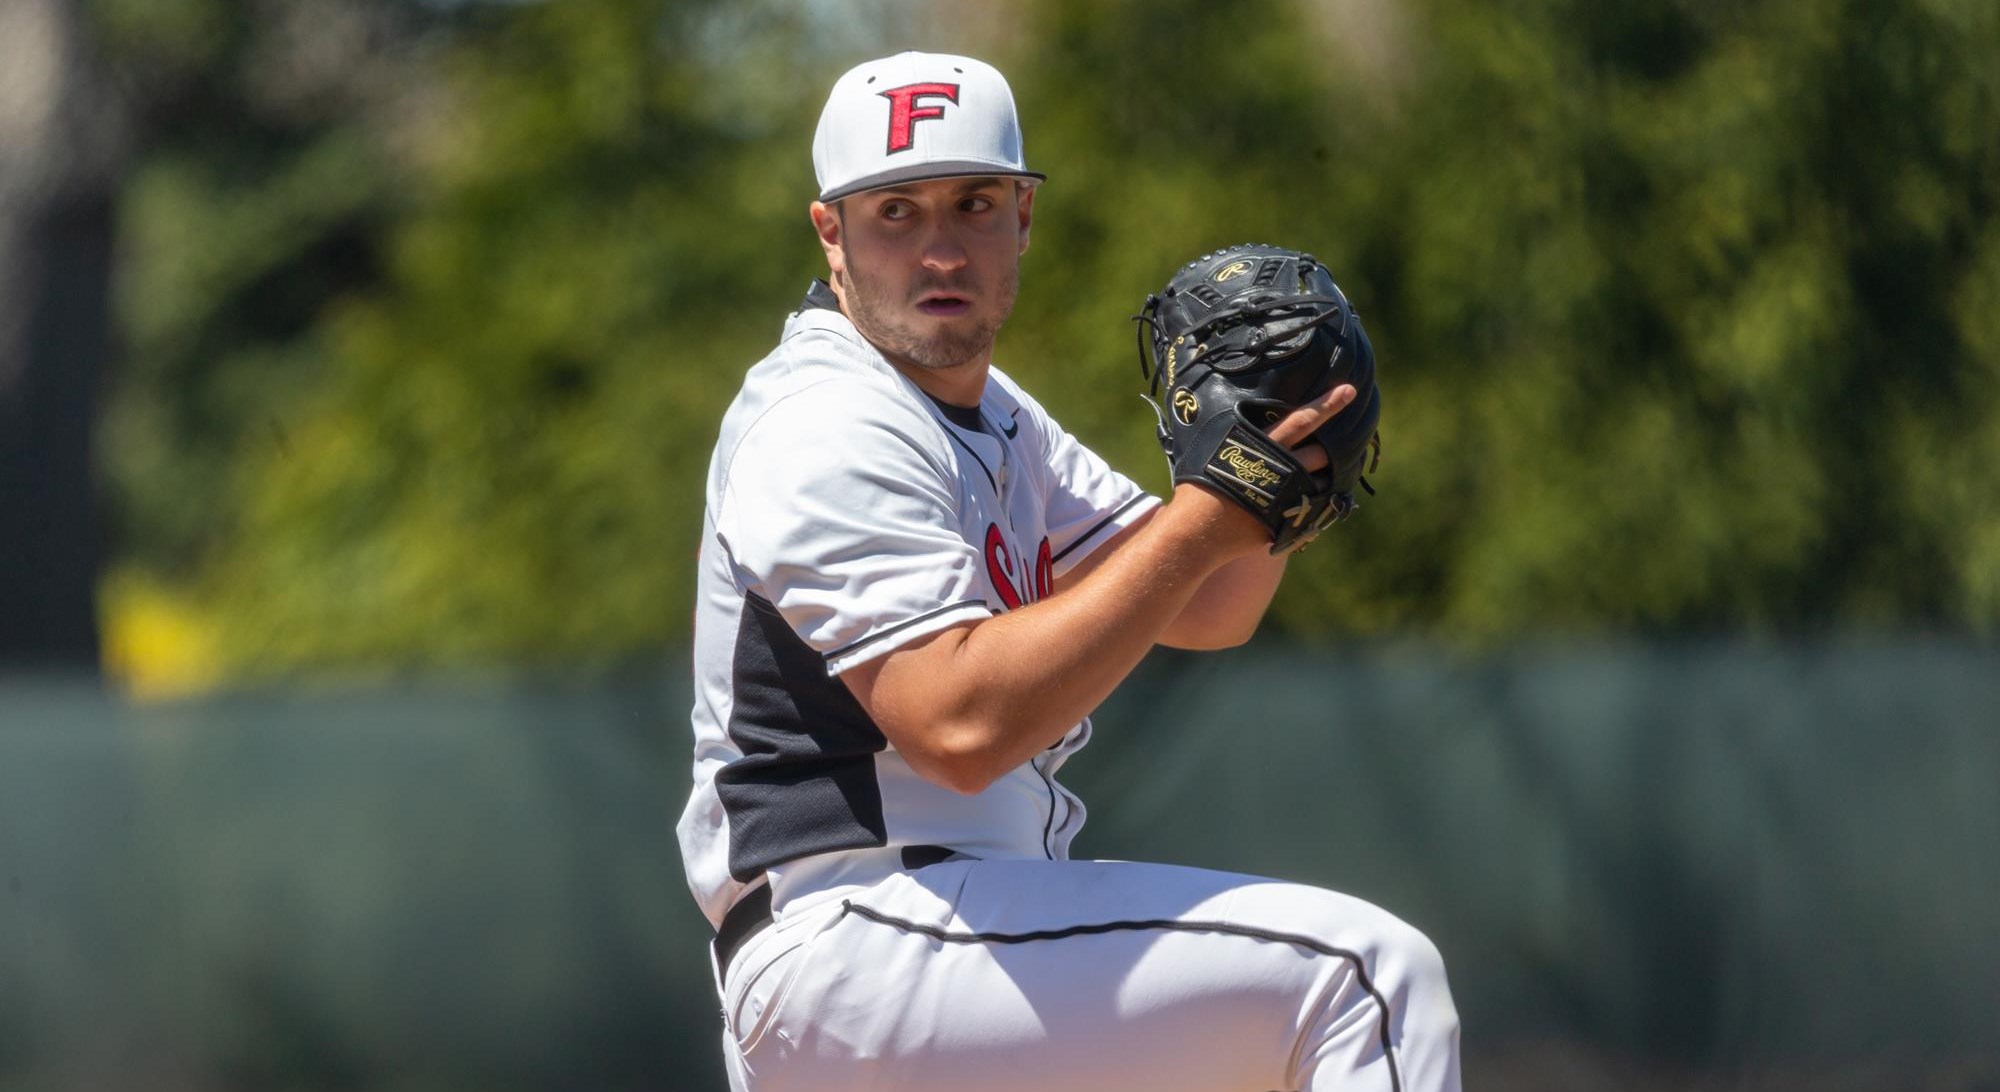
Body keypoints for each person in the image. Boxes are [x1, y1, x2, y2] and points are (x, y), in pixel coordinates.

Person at [677, 50, 1462, 1092]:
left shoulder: (997, 415)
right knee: (1364, 980)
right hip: (859, 930)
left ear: (1022, 217)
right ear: (832, 233)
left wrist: (1285, 470)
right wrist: (1212, 513)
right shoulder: (826, 419)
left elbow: (1208, 600)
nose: (940, 249)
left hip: (967, 937)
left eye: (972, 204)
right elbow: (959, 728)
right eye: (895, 212)